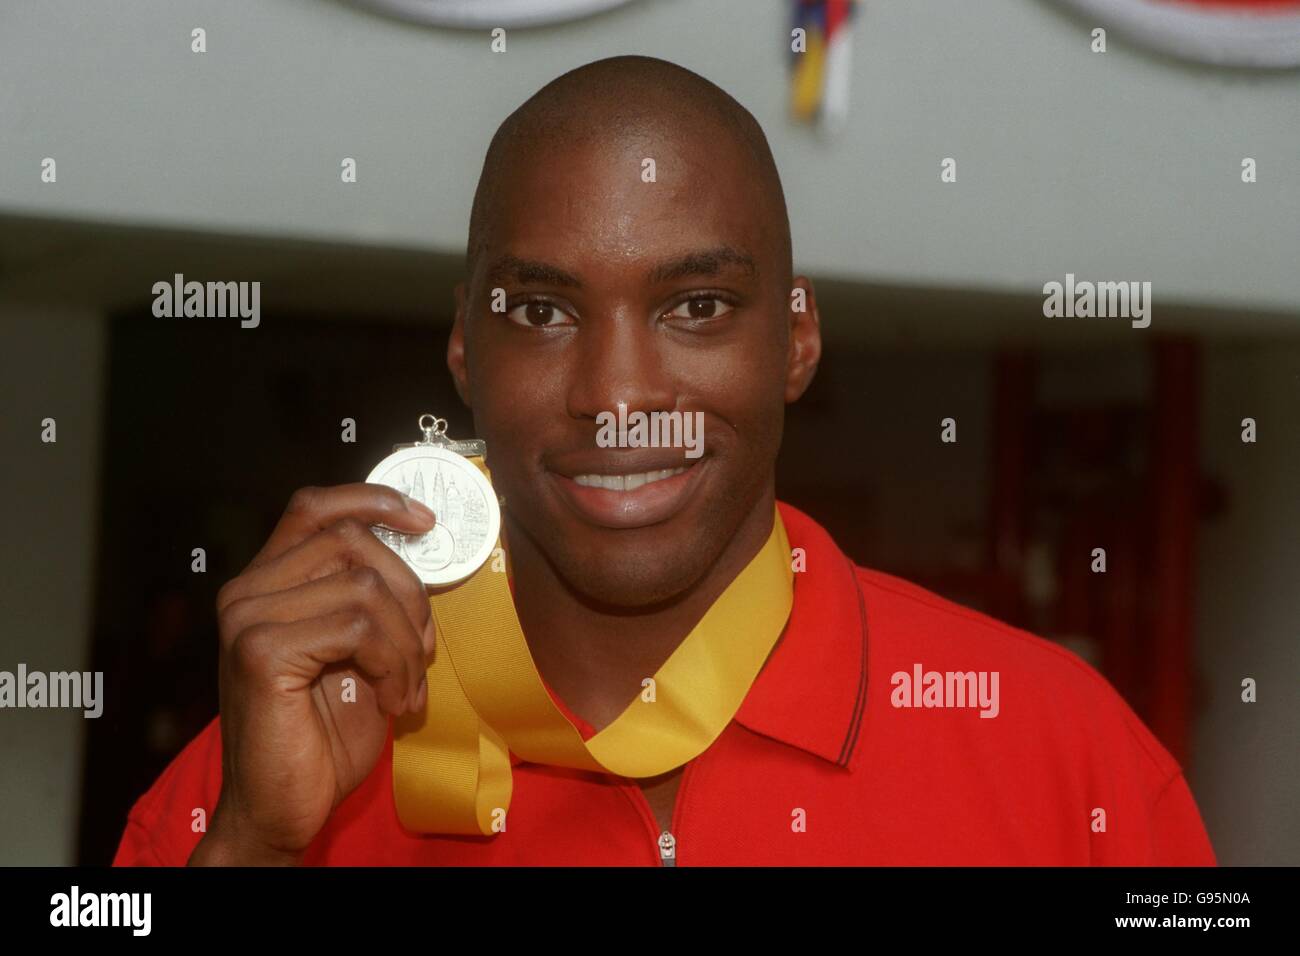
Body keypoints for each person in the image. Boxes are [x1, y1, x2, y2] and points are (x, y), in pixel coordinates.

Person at [113, 55, 1215, 866]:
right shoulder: (252, 777)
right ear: (463, 346)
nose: (619, 398)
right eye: (542, 310)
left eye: (696, 305)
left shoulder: (1064, 754)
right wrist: (254, 847)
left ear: (794, 337)